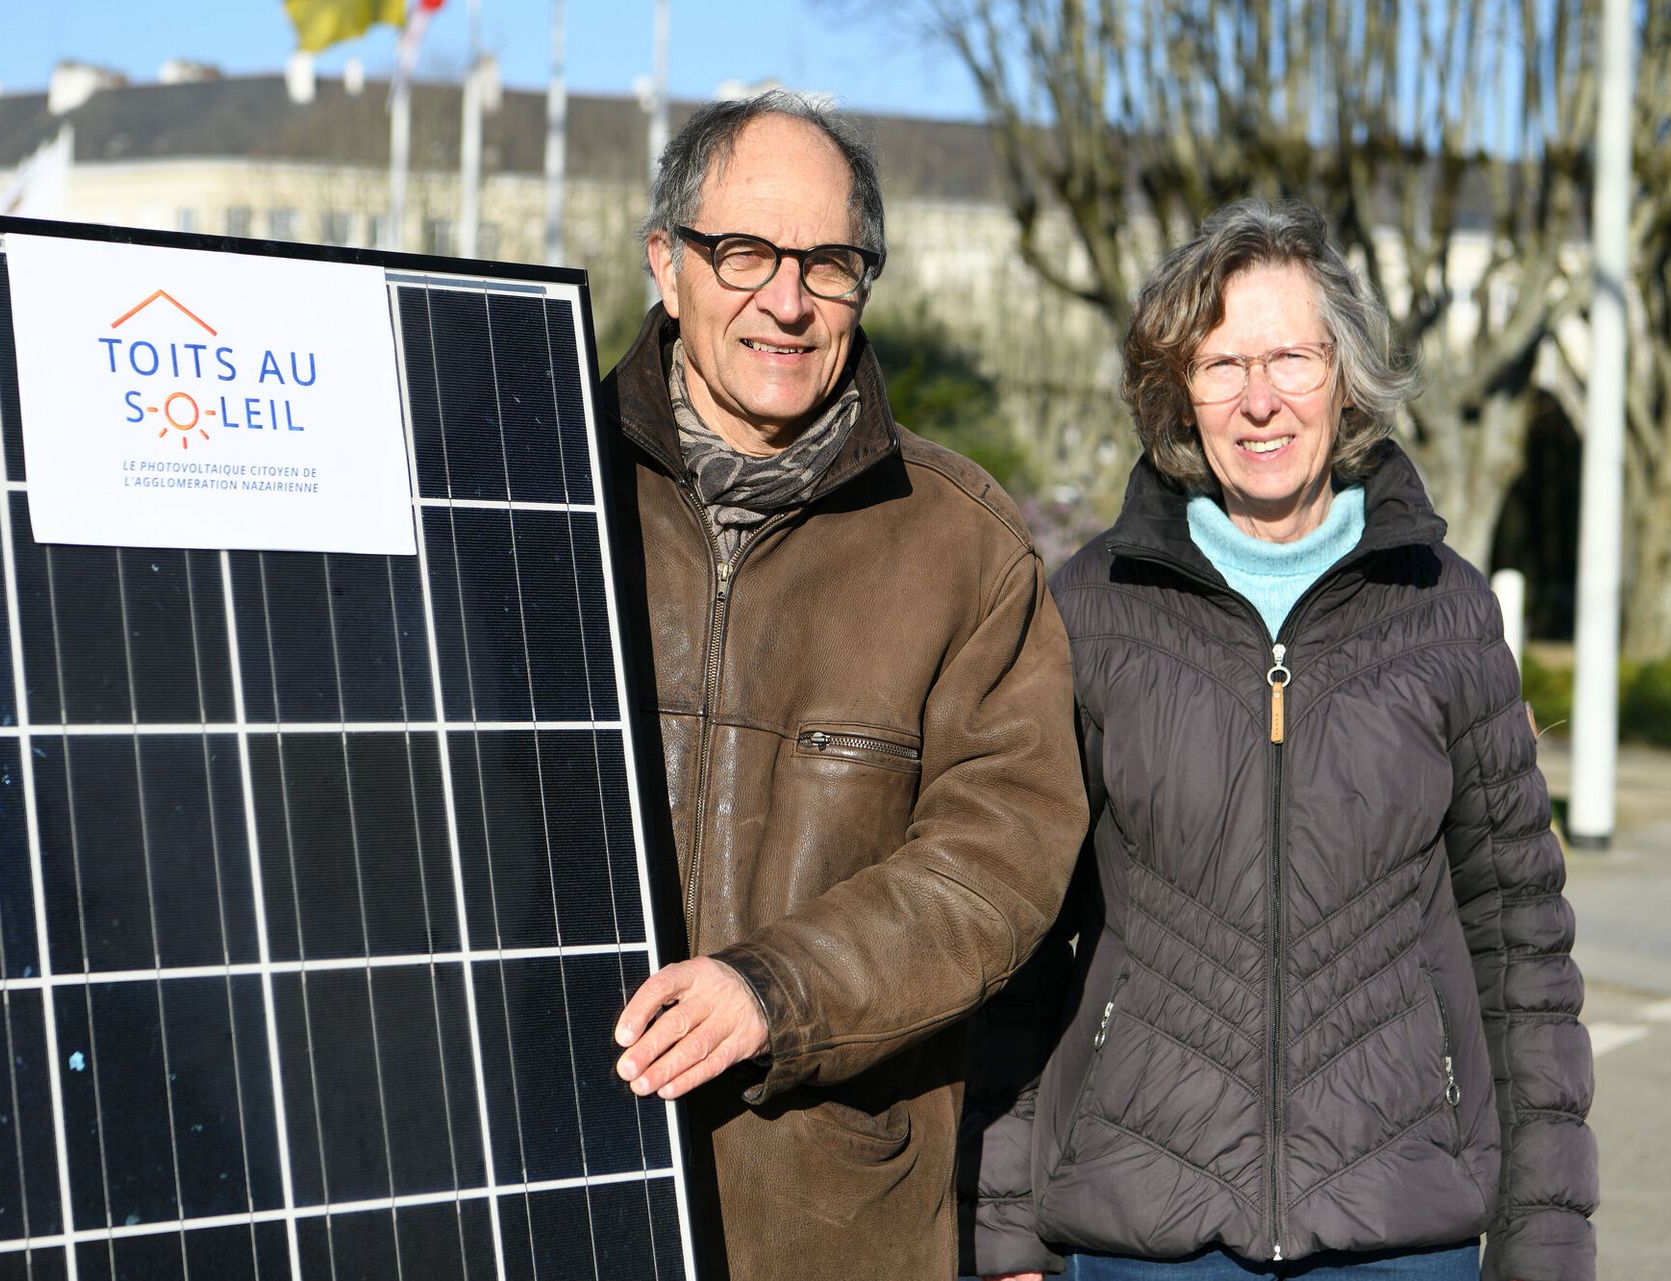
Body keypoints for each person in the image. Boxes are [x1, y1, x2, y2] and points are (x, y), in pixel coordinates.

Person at [962, 198, 1596, 1281]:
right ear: (1180, 391)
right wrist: (1006, 1218)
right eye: (1221, 365)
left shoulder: (1444, 610)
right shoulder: (1092, 609)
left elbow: (1520, 943)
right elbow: (1024, 939)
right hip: (1142, 1228)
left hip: (1402, 1223)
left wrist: (1545, 1235)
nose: (1260, 400)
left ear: (1343, 375)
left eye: (1291, 357)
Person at [602, 91, 1089, 1279]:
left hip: (824, 1215)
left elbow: (998, 860)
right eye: (746, 253)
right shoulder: (535, 490)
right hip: (544, 1170)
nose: (787, 298)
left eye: (828, 262)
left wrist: (777, 992)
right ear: (668, 265)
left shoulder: (962, 547)